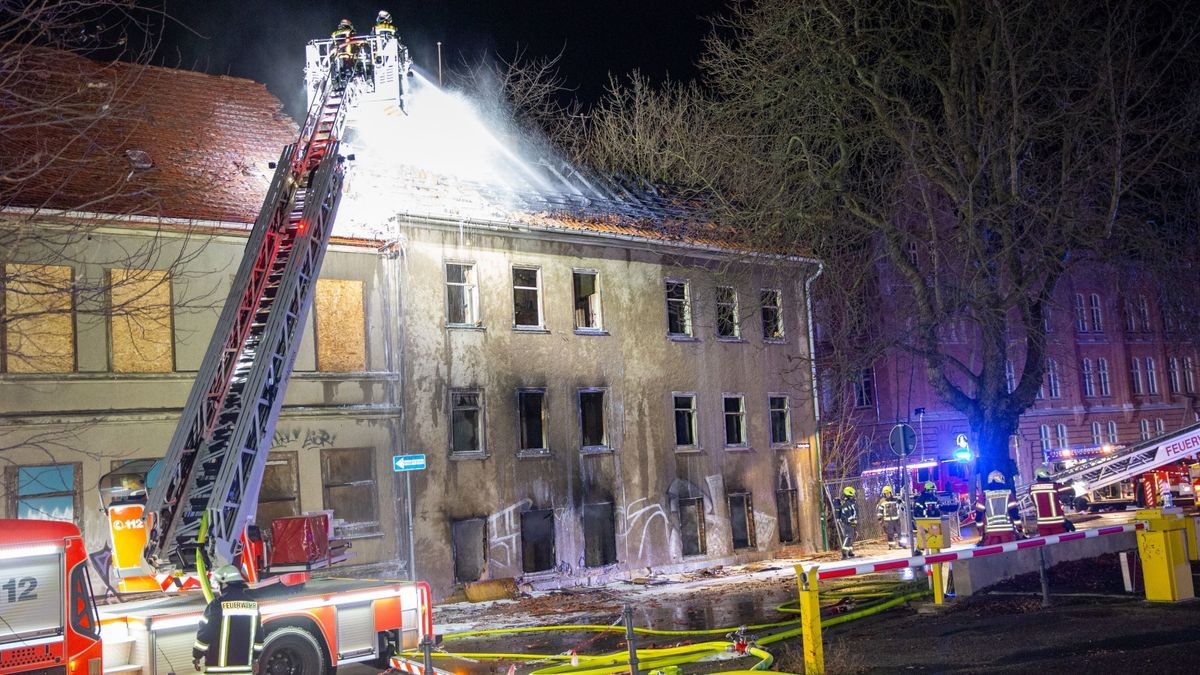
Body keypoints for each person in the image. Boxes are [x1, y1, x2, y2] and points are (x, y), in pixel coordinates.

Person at [193, 564, 263, 674]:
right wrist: (255, 659)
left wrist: (197, 655)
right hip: (244, 670)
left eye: (219, 584)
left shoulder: (216, 605)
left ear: (225, 583)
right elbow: (259, 638)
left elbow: (205, 633)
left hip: (218, 670)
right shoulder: (253, 605)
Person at [975, 470, 1022, 546]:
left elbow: (978, 516)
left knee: (993, 555)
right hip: (1008, 532)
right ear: (1001, 479)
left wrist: (981, 532)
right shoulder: (1008, 493)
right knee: (1010, 553)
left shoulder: (984, 496)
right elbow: (1015, 514)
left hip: (991, 533)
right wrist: (1020, 530)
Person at [1029, 465, 1076, 536]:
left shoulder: (1031, 489)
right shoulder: (1054, 486)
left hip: (1042, 523)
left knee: (1047, 544)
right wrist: (1067, 484)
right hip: (1057, 523)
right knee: (1058, 544)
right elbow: (1069, 489)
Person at [835, 486, 860, 559]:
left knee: (852, 536)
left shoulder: (850, 502)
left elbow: (853, 511)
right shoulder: (846, 503)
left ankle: (850, 552)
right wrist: (852, 520)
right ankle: (844, 553)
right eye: (853, 494)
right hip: (847, 523)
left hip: (851, 522)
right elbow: (847, 513)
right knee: (848, 536)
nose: (854, 496)